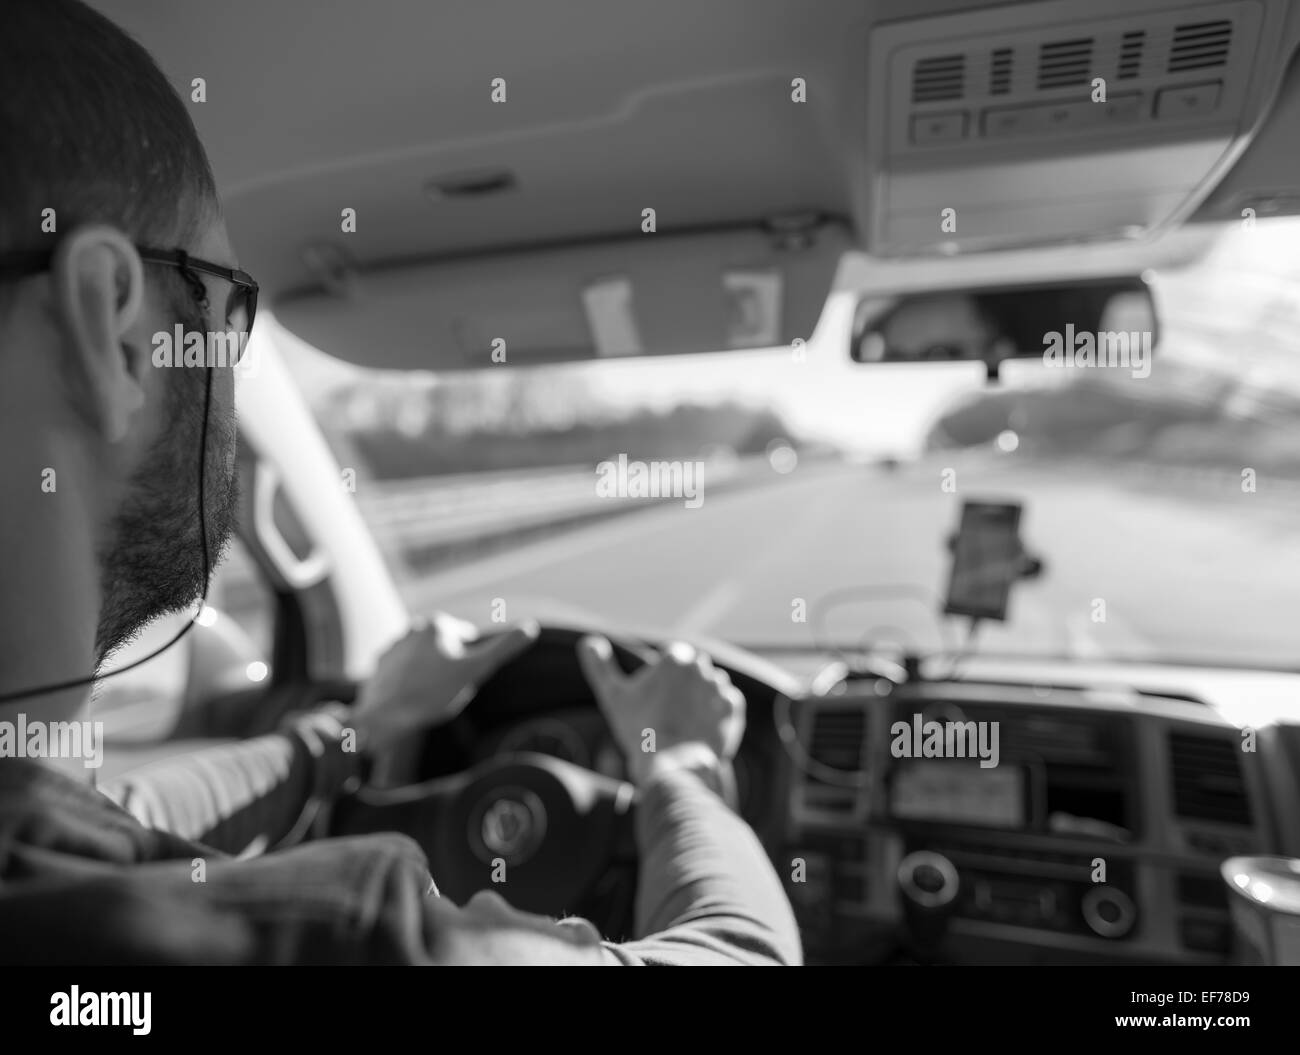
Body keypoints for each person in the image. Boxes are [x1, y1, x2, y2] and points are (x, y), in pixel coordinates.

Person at [0, 0, 800, 965]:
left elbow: (109, 817)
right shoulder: (338, 938)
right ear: (113, 326)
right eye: (227, 309)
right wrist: (685, 767)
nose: (227, 359)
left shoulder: (48, 852)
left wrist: (365, 725)